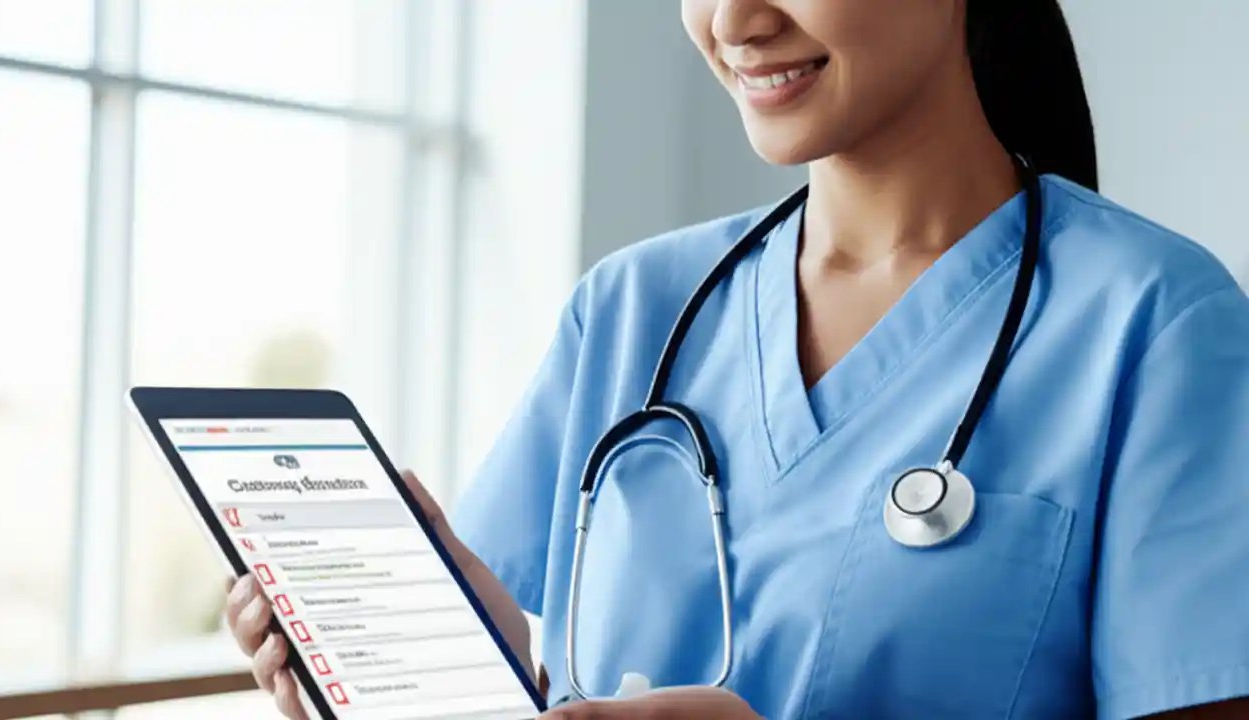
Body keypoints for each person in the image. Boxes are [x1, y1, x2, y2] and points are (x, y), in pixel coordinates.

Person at [225, 0, 1249, 717]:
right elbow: (550, 683)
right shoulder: (629, 308)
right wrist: (424, 674)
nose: (732, 19)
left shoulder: (1152, 323)